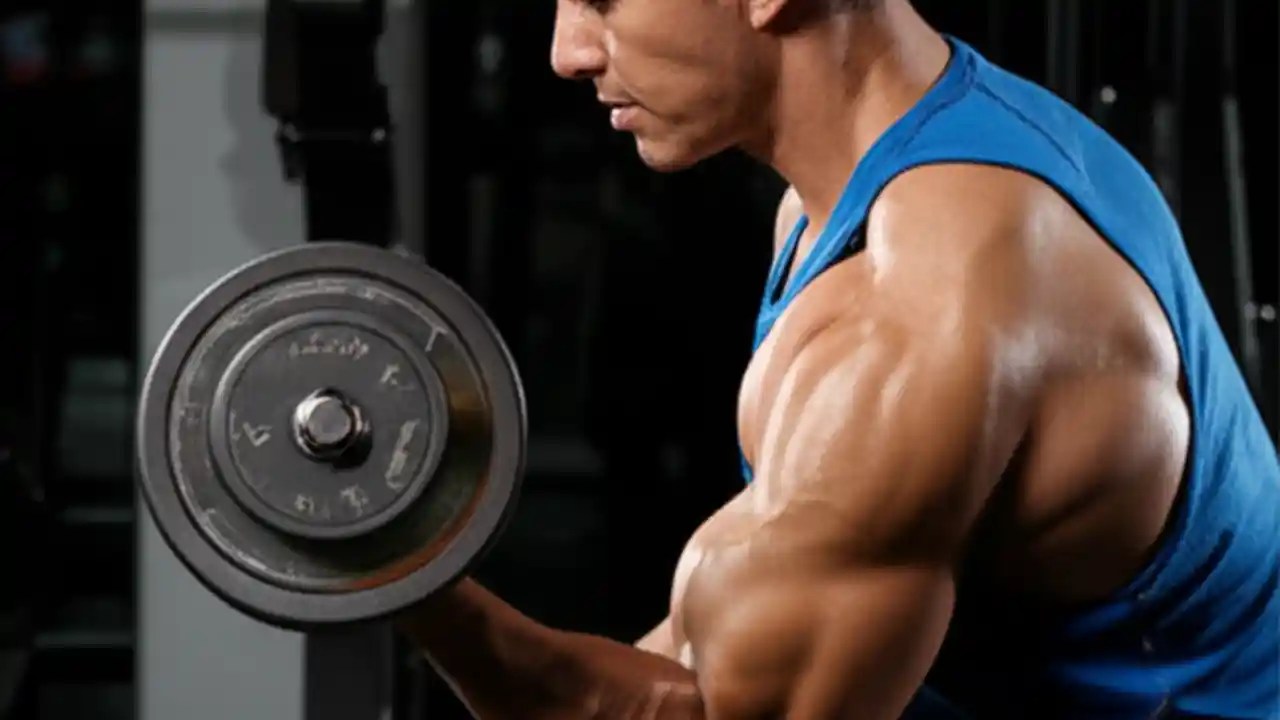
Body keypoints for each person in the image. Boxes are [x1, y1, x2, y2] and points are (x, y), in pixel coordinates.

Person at [395, 0, 1280, 717]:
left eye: (601, 0)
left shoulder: (933, 302)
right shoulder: (898, 173)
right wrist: (409, 572)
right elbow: (698, 663)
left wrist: (397, 567)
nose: (567, 51)